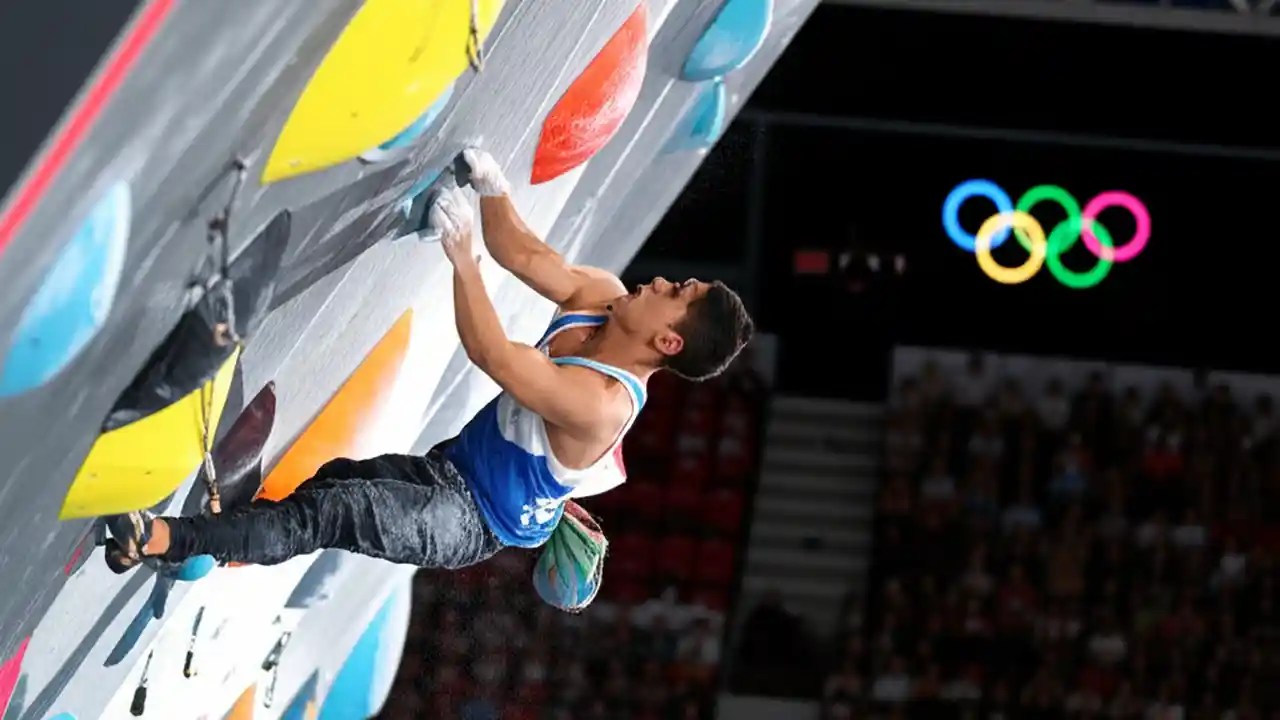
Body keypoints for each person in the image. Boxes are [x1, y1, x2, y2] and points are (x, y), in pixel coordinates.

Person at [102, 148, 754, 607]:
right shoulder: (605, 296)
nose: (663, 279)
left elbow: (496, 356)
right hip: (456, 464)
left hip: (469, 516)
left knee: (330, 512)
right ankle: (236, 540)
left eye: (676, 290)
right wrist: (490, 185)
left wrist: (462, 258)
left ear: (667, 339)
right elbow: (525, 253)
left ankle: (164, 539)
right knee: (336, 485)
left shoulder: (601, 404)